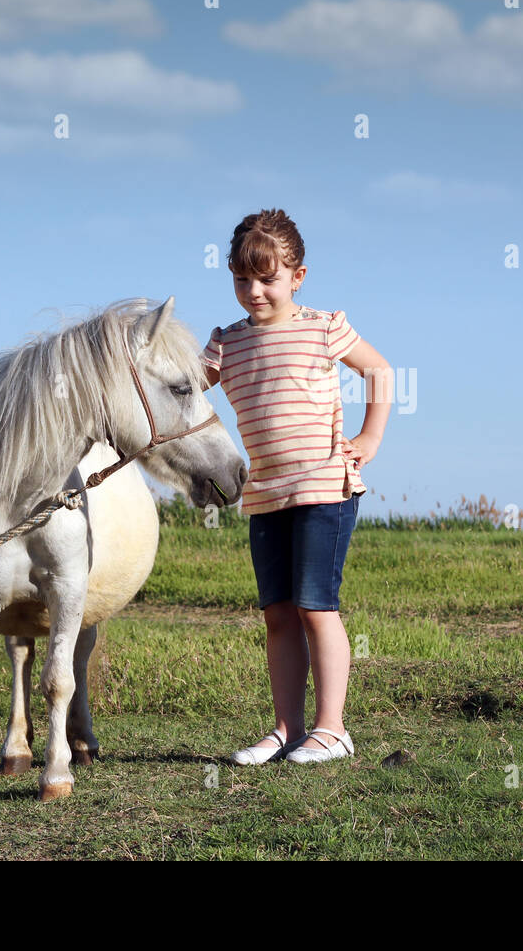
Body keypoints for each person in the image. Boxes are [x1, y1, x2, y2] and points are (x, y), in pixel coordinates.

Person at [199, 208, 392, 764]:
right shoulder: (226, 343)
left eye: (267, 278)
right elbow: (184, 389)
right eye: (242, 279)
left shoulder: (323, 325)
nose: (254, 290)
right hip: (265, 494)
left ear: (297, 276)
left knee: (315, 608)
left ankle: (332, 730)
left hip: (325, 487)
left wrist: (371, 436)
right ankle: (286, 730)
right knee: (278, 614)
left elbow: (379, 370)